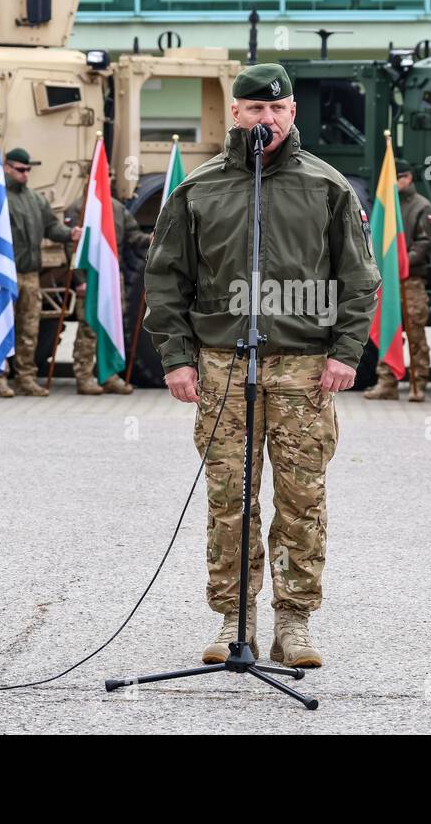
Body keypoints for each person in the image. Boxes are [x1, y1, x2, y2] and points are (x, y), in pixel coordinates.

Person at [144, 62, 380, 668]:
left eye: (277, 110)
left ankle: (294, 624)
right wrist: (177, 359)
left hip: (305, 369)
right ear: (236, 114)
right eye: (254, 109)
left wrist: (345, 353)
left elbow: (358, 280)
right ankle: (233, 619)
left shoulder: (327, 187)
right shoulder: (198, 190)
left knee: (302, 499)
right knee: (231, 498)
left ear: (293, 113)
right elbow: (166, 281)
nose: (266, 119)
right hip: (224, 367)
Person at [0, 146, 71, 397]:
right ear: (7, 167)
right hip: (5, 274)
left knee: (29, 329)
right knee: (2, 326)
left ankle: (26, 377)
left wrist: (71, 234)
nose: (25, 174)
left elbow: (52, 229)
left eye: (28, 170)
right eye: (20, 169)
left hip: (30, 275)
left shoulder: (36, 200)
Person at [65, 191, 150, 395]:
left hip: (112, 276)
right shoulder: (79, 207)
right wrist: (80, 279)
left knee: (113, 326)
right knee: (89, 327)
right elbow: (71, 247)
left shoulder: (117, 208)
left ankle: (109, 375)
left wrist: (150, 239)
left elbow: (133, 235)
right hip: (90, 275)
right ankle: (84, 376)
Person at [365, 158, 431, 402]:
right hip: (389, 283)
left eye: (399, 177)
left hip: (411, 280)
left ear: (408, 178)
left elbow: (426, 242)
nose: (394, 183)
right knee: (387, 330)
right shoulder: (384, 205)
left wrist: (403, 261)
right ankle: (387, 381)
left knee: (416, 333)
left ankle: (418, 382)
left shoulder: (421, 206)